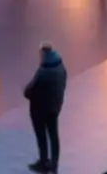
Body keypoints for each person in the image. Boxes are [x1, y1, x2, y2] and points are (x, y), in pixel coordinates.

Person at [24, 42, 67, 173]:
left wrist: (26, 91)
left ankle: (43, 161)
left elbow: (30, 90)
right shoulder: (61, 67)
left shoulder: (43, 72)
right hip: (55, 107)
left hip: (40, 110)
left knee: (41, 135)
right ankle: (54, 162)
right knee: (54, 134)